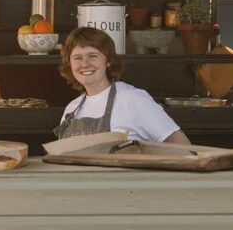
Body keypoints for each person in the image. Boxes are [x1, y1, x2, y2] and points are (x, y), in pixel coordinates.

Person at [54, 26, 191, 144]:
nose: (84, 64)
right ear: (69, 63)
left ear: (108, 61)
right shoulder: (71, 110)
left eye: (93, 56)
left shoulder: (133, 99)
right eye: (77, 58)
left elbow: (183, 147)